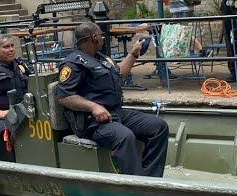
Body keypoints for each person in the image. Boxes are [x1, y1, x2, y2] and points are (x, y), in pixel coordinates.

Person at [55, 22, 168, 177]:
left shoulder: (101, 58)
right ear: (94, 38)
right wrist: (93, 107)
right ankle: (136, 187)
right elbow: (65, 97)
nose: (102, 38)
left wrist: (134, 53)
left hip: (115, 112)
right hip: (91, 121)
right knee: (125, 137)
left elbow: (119, 73)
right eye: (101, 35)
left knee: (158, 127)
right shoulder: (73, 63)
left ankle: (150, 180)